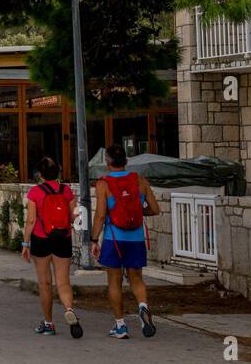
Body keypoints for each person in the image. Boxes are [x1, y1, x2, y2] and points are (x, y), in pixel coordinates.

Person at [90, 144, 161, 339]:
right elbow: (155, 209)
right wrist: (138, 211)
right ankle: (143, 307)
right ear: (126, 161)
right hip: (136, 238)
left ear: (107, 162)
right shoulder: (140, 181)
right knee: (137, 279)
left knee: (114, 281)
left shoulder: (103, 184)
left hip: (115, 238)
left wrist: (94, 239)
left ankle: (120, 326)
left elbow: (100, 215)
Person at [20, 157, 82, 338]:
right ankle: (69, 309)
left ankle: (48, 324)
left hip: (41, 239)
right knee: (63, 282)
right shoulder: (67, 191)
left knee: (45, 283)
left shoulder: (35, 193)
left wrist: (25, 244)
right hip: (63, 238)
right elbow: (74, 216)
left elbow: (31, 220)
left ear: (39, 174)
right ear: (59, 172)